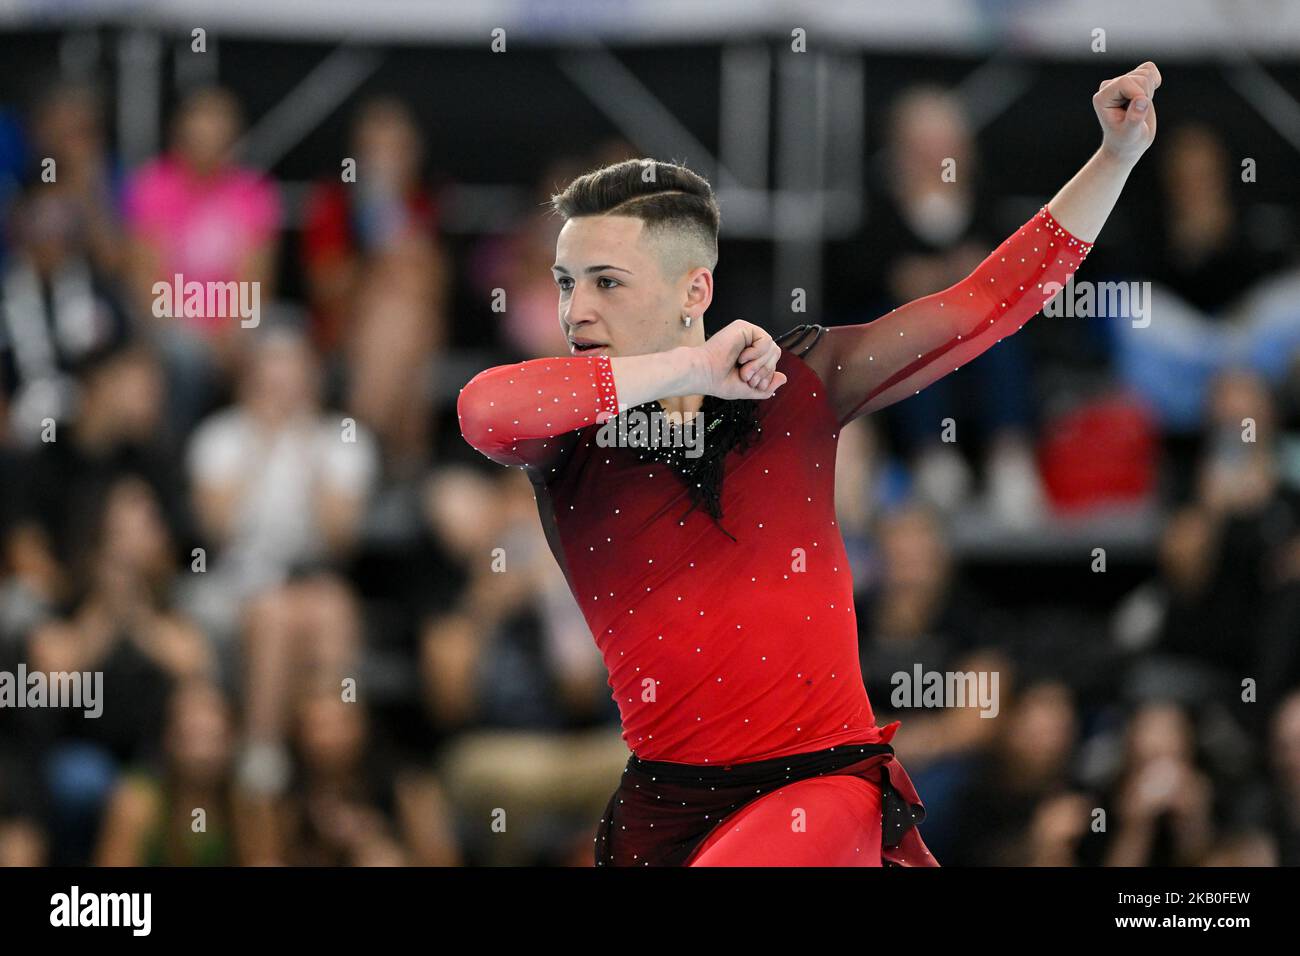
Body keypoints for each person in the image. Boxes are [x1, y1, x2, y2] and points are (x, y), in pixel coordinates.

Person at [456, 62, 1163, 866]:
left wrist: (1113, 159)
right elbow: (482, 410)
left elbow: (982, 306)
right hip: (667, 806)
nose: (576, 310)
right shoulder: (569, 442)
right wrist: (689, 371)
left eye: (606, 283)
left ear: (695, 290)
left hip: (819, 785)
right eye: (564, 284)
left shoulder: (796, 388)